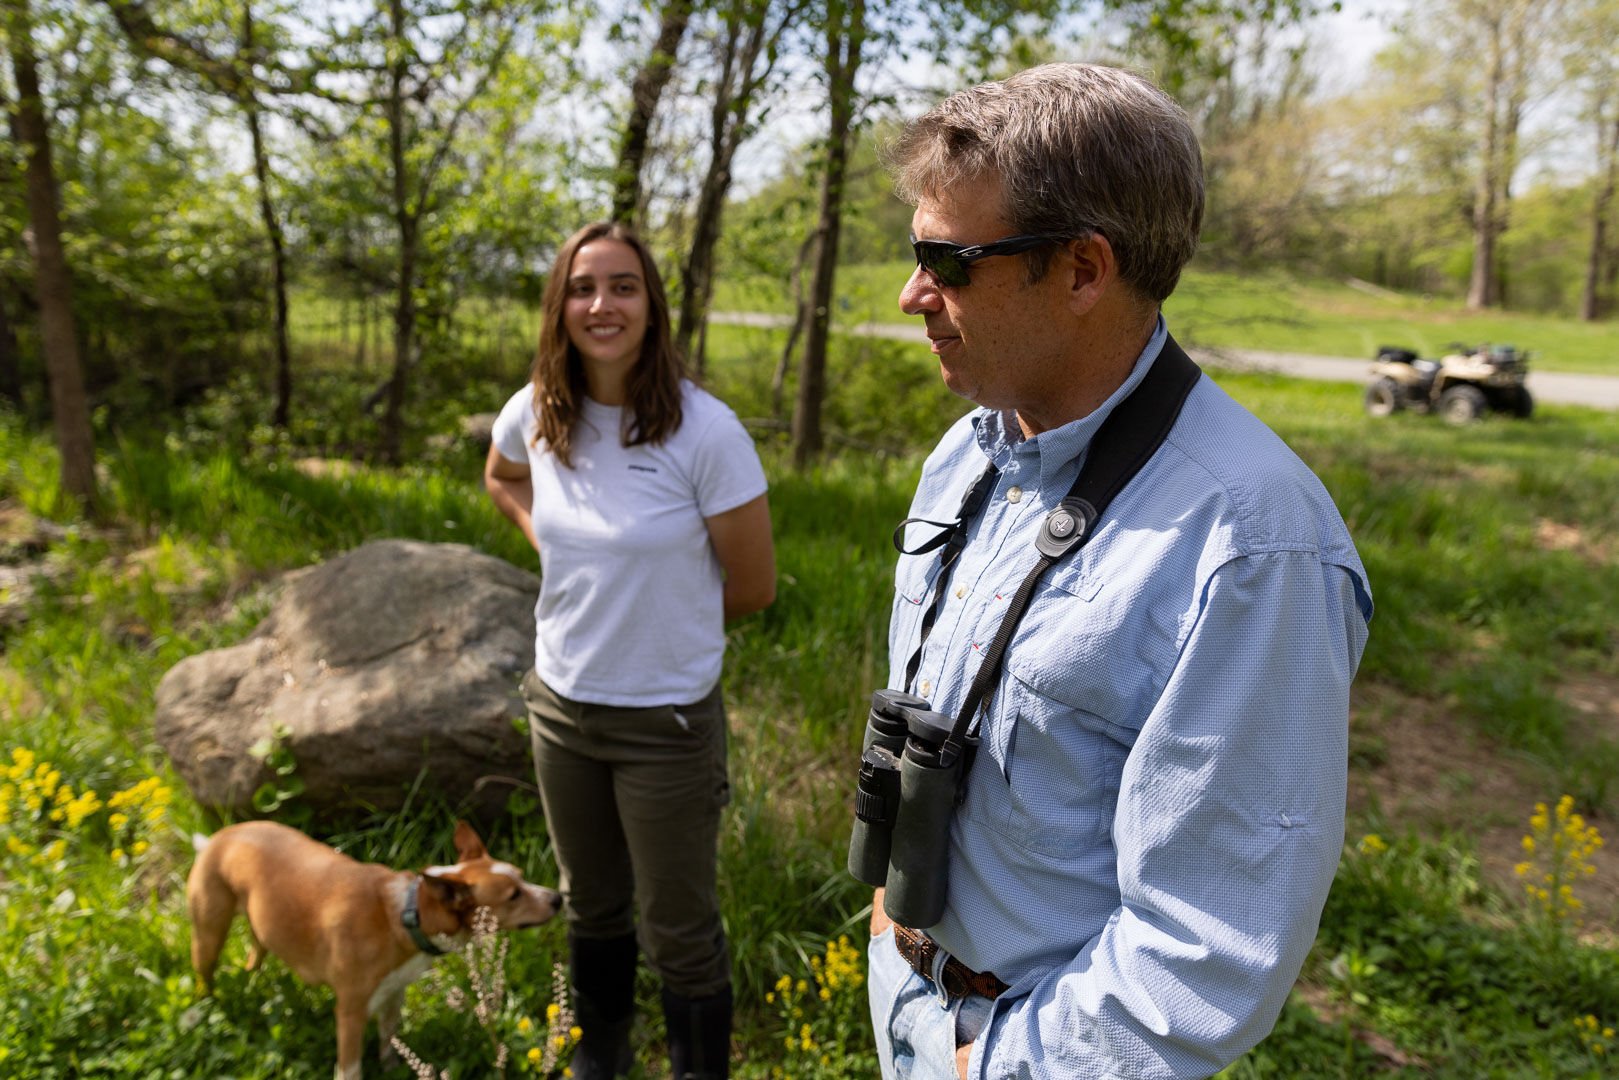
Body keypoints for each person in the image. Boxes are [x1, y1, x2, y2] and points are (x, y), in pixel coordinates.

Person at [864, 64, 1374, 1079]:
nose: (910, 292)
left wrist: (983, 1063)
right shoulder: (966, 454)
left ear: (1084, 269)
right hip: (911, 1000)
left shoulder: (1251, 544)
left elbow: (1205, 946)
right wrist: (894, 930)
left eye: (946, 261)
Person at [484, 221, 775, 1080]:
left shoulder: (704, 433)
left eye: (622, 286)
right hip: (561, 711)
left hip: (666, 723)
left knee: (679, 932)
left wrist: (662, 615)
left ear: (651, 306)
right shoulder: (538, 409)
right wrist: (555, 547)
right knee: (590, 909)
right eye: (582, 288)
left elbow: (752, 586)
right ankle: (598, 1067)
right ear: (558, 306)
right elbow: (501, 477)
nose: (600, 304)